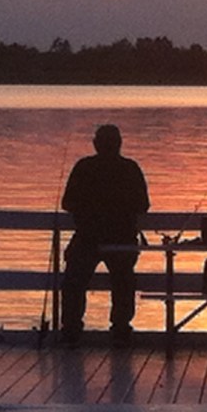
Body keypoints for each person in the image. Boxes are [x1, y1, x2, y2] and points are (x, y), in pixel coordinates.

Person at [60, 124, 150, 343]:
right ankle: (120, 329)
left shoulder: (84, 167)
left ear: (96, 144)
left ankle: (71, 329)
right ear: (119, 144)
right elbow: (143, 205)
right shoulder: (130, 168)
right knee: (123, 283)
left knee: (74, 282)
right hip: (121, 237)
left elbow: (67, 203)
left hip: (87, 237)